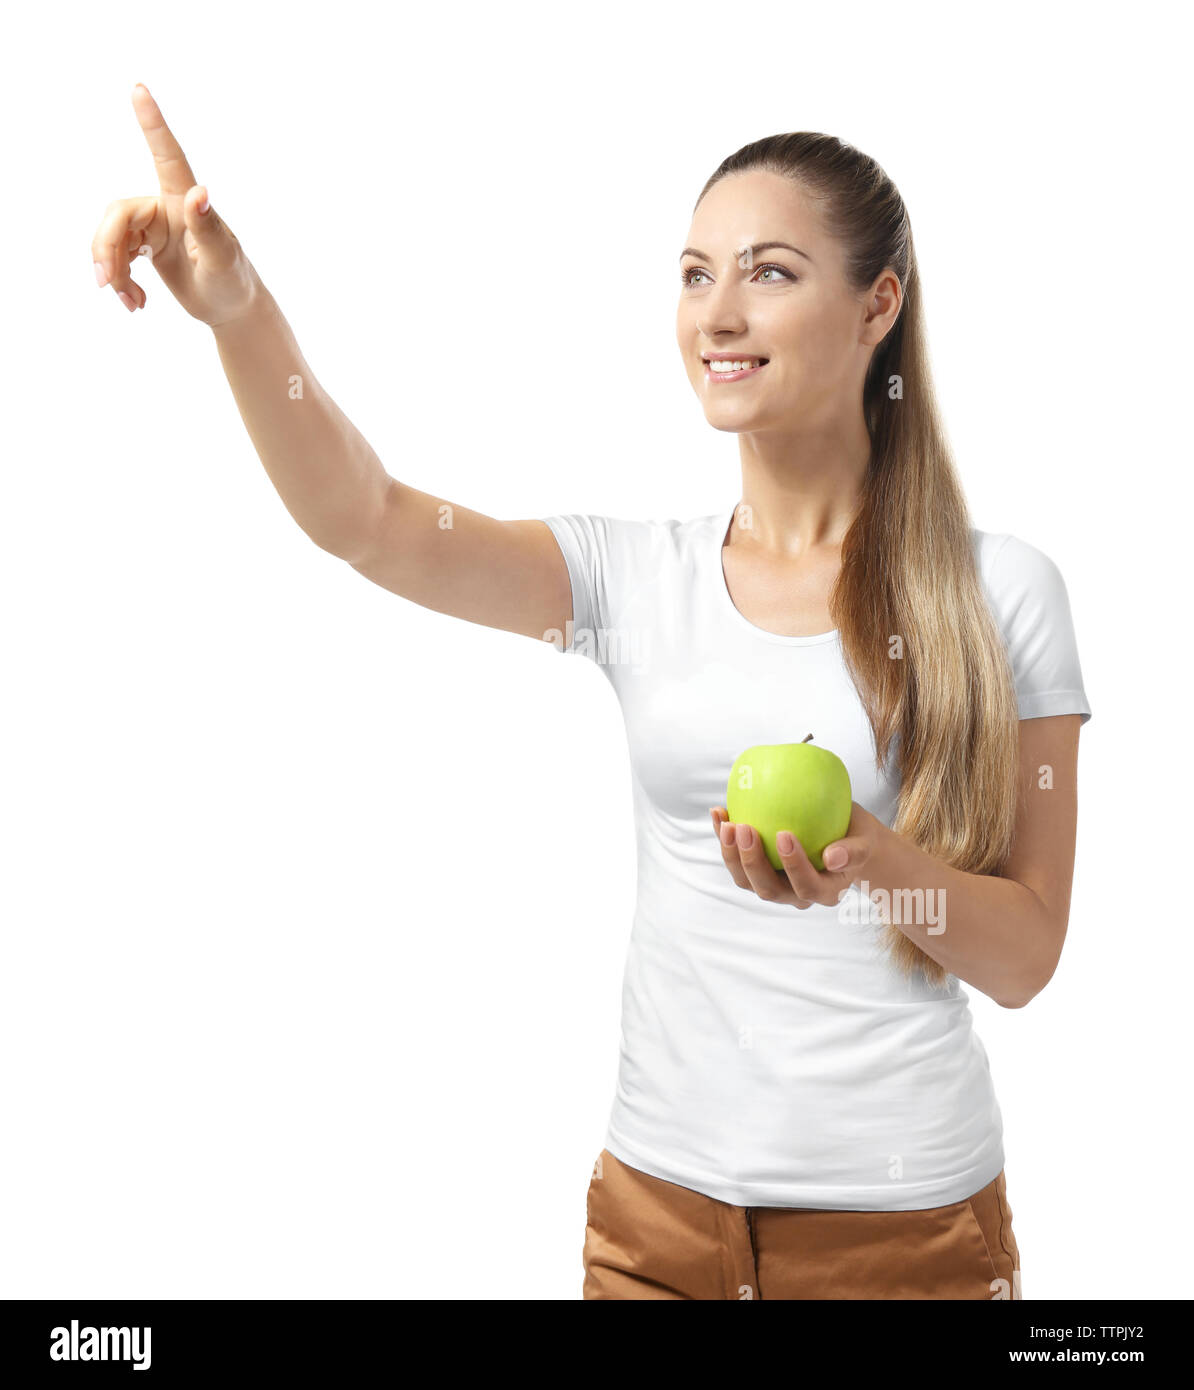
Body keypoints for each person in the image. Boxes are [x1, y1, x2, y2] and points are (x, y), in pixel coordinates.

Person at [92, 89, 1090, 1301]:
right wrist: (238, 313)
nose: (716, 313)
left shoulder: (1004, 594)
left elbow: (1029, 954)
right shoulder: (631, 581)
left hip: (903, 1236)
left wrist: (877, 865)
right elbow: (368, 520)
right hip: (656, 1223)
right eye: (692, 274)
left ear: (879, 303)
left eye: (769, 273)